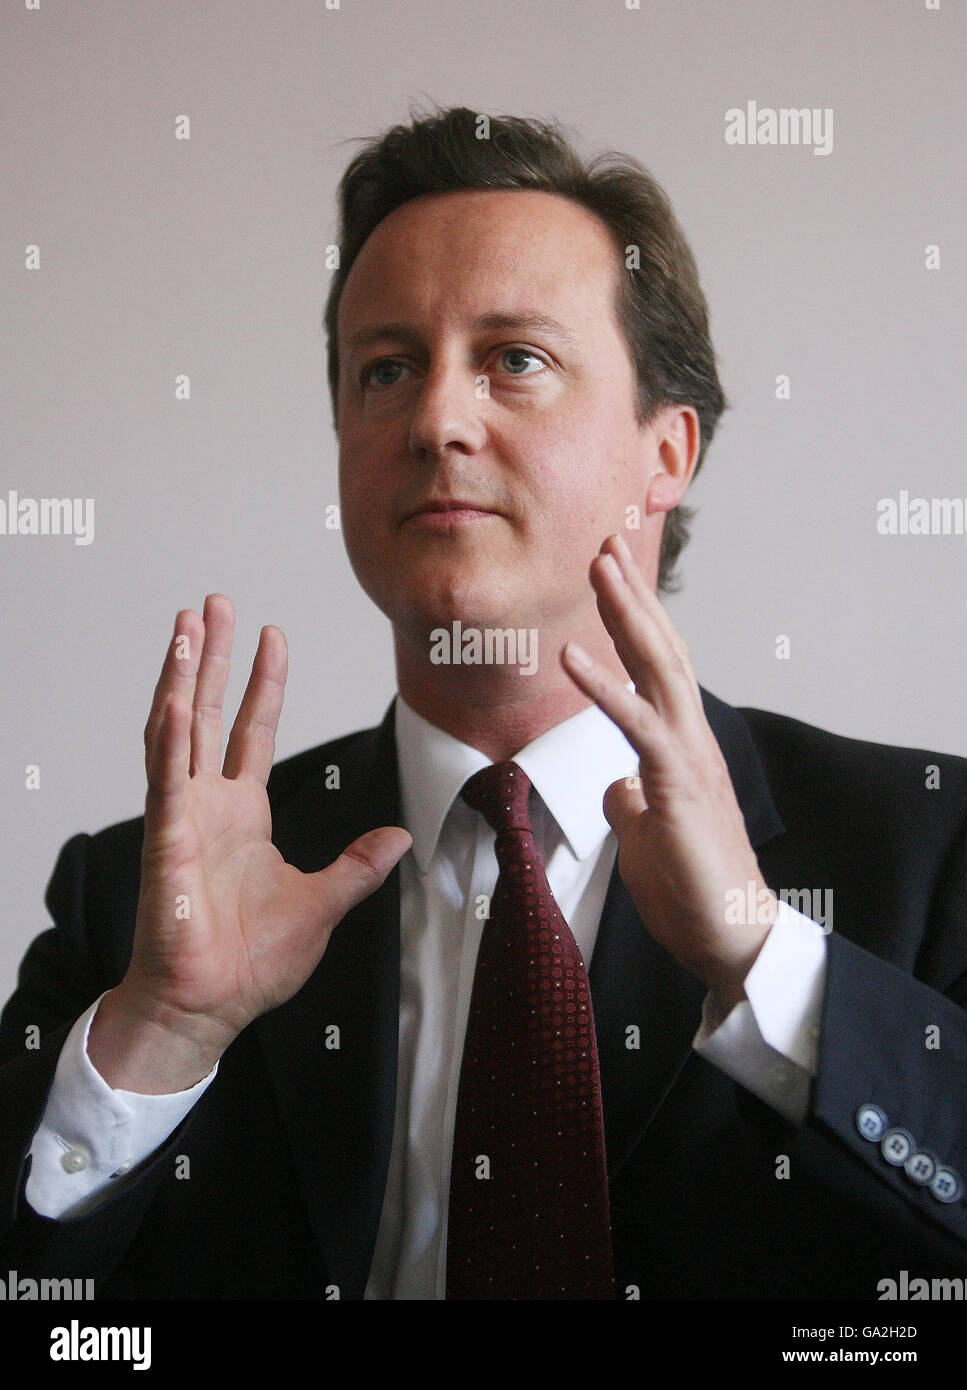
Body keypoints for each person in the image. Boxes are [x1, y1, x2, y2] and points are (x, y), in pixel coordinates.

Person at [1, 106, 966, 1301]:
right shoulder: (137, 904)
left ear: (666, 452)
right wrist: (163, 1036)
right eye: (386, 369)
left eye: (515, 359)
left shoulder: (927, 849)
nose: (435, 421)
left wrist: (763, 959)